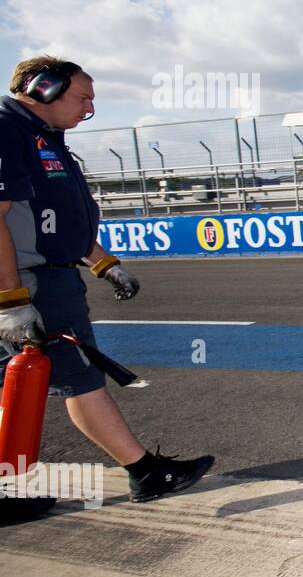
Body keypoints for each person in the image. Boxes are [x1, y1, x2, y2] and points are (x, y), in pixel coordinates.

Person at [0, 56, 214, 516]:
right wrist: (12, 300)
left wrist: (103, 264)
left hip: (45, 276)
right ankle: (145, 472)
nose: (89, 109)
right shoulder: (7, 130)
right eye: (82, 97)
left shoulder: (45, 138)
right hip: (28, 283)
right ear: (43, 88)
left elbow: (54, 222)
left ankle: (142, 471)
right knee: (78, 378)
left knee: (61, 380)